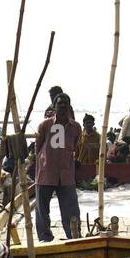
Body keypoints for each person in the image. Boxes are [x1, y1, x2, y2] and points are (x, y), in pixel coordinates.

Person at [35, 94, 81, 240]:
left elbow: (76, 147)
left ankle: (73, 236)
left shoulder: (75, 127)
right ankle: (45, 238)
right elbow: (38, 146)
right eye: (60, 103)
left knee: (71, 209)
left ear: (69, 107)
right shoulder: (45, 125)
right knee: (42, 209)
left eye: (66, 103)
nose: (63, 106)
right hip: (46, 172)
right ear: (54, 106)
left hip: (66, 174)